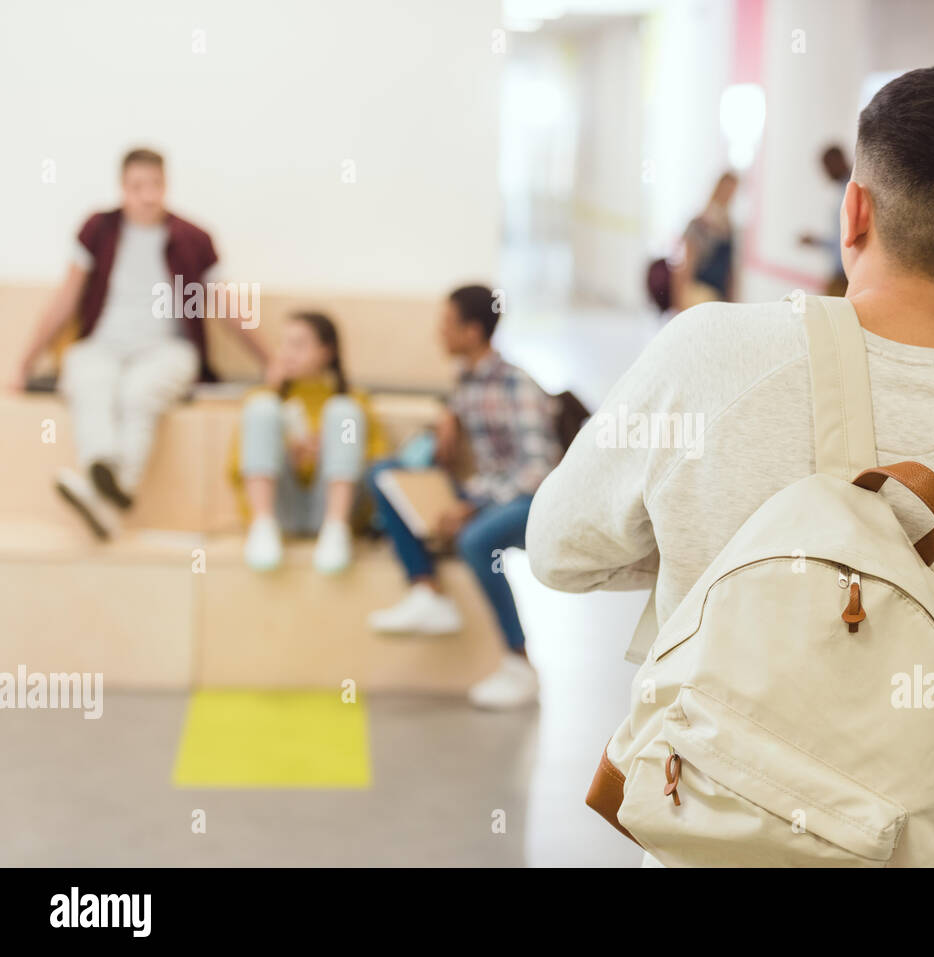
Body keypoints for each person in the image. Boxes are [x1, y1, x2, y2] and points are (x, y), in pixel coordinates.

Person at [526, 66, 934, 867]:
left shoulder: (711, 354)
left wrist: (718, 558)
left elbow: (560, 550)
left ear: (855, 210)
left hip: (724, 832)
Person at [10, 148, 265, 538]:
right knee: (89, 382)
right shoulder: (99, 230)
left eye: (155, 186)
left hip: (167, 350)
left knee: (138, 395)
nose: (147, 195)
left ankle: (100, 488)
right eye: (137, 186)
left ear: (167, 185)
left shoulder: (193, 239)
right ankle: (107, 481)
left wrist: (271, 359)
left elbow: (227, 308)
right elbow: (67, 298)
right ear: (122, 188)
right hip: (103, 345)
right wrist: (23, 363)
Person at [366, 285, 562, 710]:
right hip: (486, 492)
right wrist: (448, 416)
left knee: (477, 539)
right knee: (385, 475)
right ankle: (427, 591)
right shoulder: (466, 382)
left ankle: (520, 664)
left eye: (447, 324)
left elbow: (539, 470)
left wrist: (471, 505)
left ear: (472, 331)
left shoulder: (516, 384)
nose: (439, 333)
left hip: (529, 501)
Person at [230, 312, 387, 574]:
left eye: (299, 345)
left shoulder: (356, 400)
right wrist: (286, 453)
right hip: (282, 509)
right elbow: (237, 467)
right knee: (261, 408)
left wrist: (328, 453)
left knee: (344, 412)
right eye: (284, 344)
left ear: (327, 351)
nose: (287, 353)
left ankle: (336, 531)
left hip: (335, 507)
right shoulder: (263, 396)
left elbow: (376, 467)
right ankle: (262, 526)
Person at [670, 171, 738, 309]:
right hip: (698, 295)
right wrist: (678, 301)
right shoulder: (698, 225)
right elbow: (685, 266)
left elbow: (729, 271)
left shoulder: (729, 229)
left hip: (719, 298)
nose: (728, 196)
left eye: (732, 192)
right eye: (726, 190)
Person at [799, 144, 853, 295]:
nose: (826, 173)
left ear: (837, 162)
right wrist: (817, 242)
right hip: (840, 274)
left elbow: (848, 241)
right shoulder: (843, 190)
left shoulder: (851, 190)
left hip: (846, 277)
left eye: (826, 167)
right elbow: (840, 241)